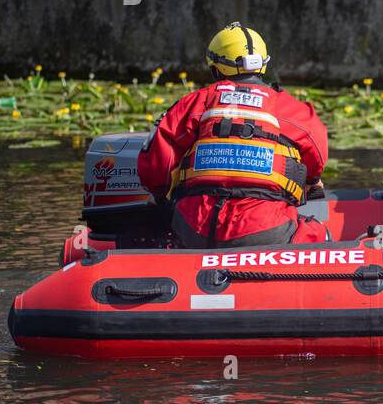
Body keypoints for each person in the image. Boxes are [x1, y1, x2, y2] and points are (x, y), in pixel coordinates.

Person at [137, 22, 329, 248]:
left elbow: (156, 169)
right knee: (319, 235)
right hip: (266, 230)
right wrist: (310, 180)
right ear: (263, 65)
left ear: (215, 68)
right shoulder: (291, 109)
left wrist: (164, 197)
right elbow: (317, 156)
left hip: (196, 228)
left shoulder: (194, 103)